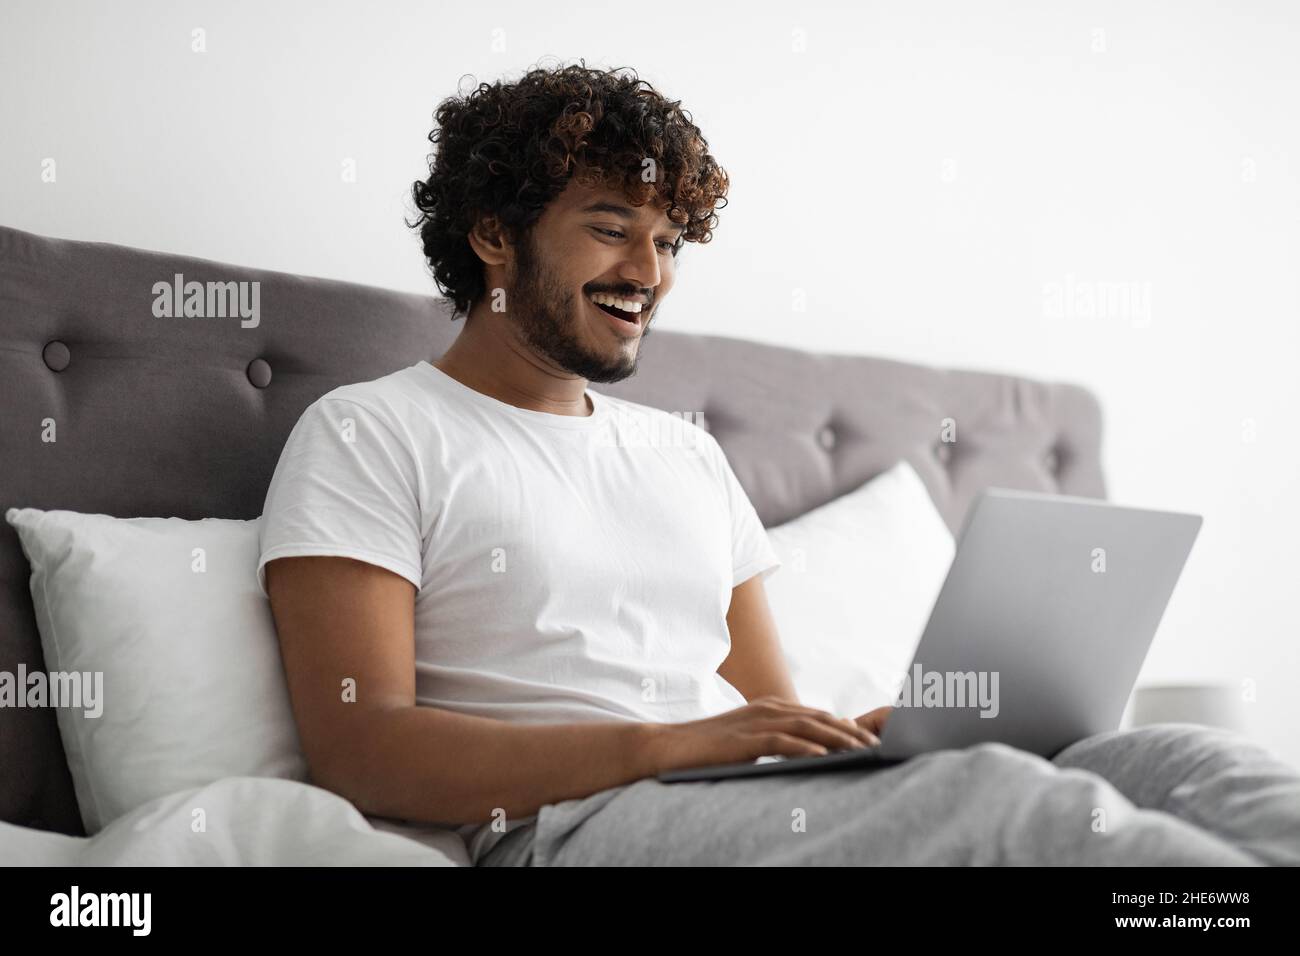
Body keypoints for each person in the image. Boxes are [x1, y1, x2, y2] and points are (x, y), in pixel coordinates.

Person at [259, 61, 1300, 867]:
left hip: (737, 800)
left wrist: (866, 741)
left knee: (1175, 760)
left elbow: (770, 714)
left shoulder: (686, 456)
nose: (647, 273)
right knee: (1006, 808)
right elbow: (362, 749)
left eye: (668, 240)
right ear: (492, 233)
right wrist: (662, 746)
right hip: (571, 829)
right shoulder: (372, 433)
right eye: (611, 228)